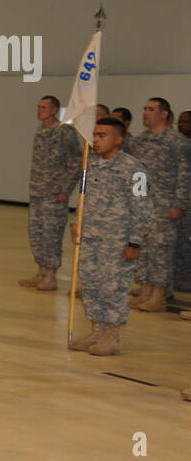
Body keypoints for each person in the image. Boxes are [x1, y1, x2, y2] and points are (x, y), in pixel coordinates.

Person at [69, 118, 151, 355]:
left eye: (102, 135)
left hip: (117, 241)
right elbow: (83, 197)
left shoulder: (134, 169)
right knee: (92, 285)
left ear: (119, 139)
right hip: (91, 238)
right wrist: (76, 223)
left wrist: (134, 242)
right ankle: (97, 331)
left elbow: (143, 208)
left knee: (113, 288)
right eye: (94, 135)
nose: (96, 140)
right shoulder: (91, 165)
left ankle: (112, 336)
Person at [127, 98, 191, 312]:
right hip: (143, 205)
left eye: (151, 109)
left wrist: (179, 204)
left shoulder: (178, 141)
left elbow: (185, 175)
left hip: (165, 205)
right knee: (143, 249)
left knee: (161, 251)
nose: (146, 113)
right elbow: (135, 174)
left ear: (164, 114)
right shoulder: (140, 140)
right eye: (144, 109)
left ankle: (159, 295)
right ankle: (145, 291)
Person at [19, 95, 82, 291]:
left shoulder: (65, 131)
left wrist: (65, 189)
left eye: (44, 107)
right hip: (37, 191)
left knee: (51, 235)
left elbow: (76, 162)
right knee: (36, 234)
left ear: (55, 110)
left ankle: (51, 276)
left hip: (55, 194)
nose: (40, 110)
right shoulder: (40, 131)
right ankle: (41, 272)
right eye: (39, 107)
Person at [175, 111, 191, 292]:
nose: (181, 125)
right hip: (181, 202)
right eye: (179, 121)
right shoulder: (178, 145)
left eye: (186, 122)